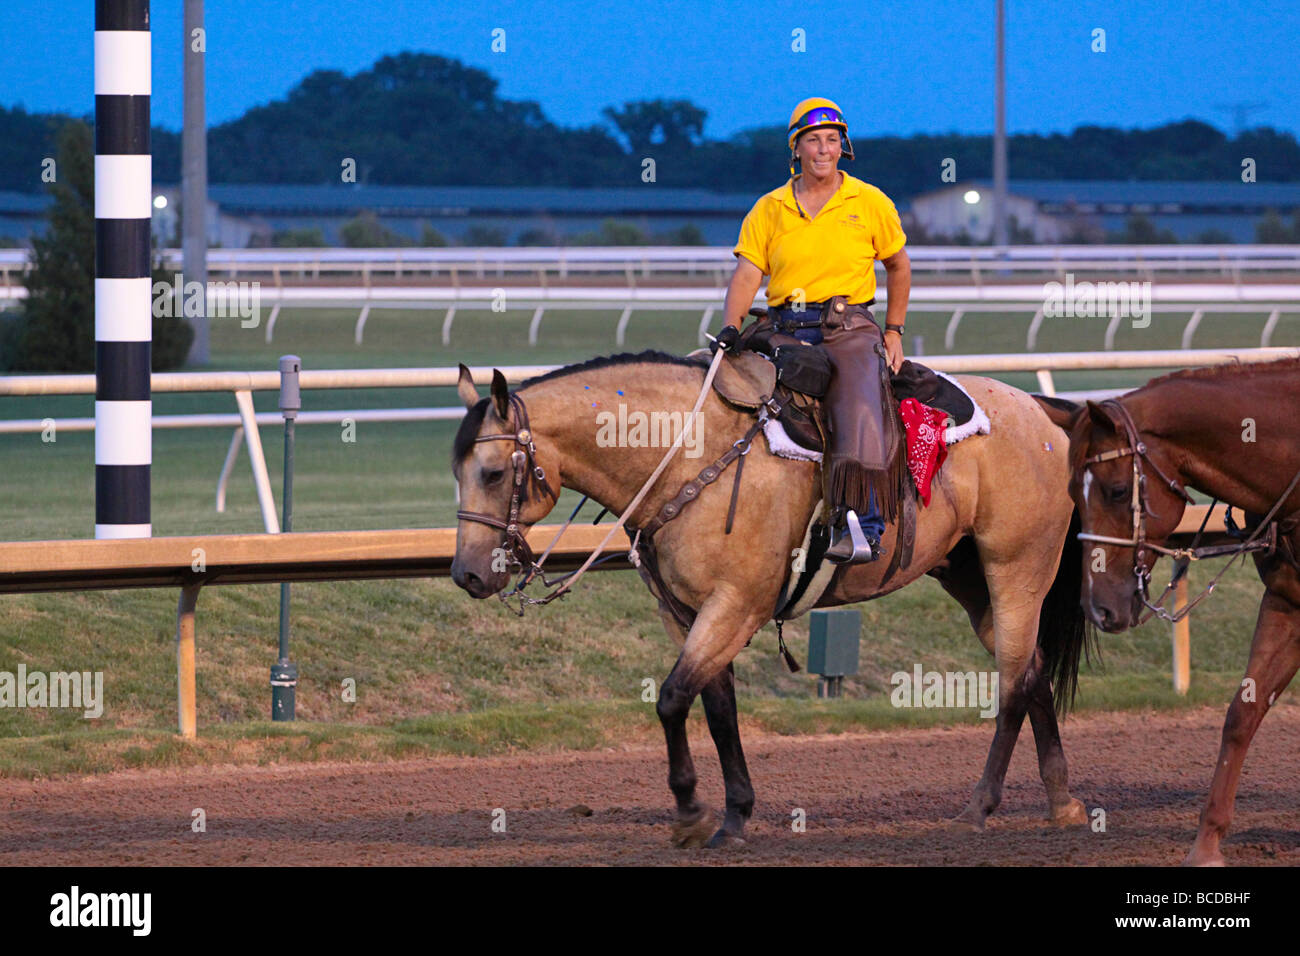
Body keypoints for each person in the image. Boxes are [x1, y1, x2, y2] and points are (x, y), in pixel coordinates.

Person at [715, 96, 912, 564]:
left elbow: (899, 267)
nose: (823, 149)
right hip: (782, 326)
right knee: (717, 384)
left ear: (843, 147)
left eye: (831, 140)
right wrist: (730, 327)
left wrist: (894, 330)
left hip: (848, 326)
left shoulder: (870, 202)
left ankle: (864, 523)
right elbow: (747, 275)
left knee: (856, 393)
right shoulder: (770, 207)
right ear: (796, 148)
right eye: (813, 141)